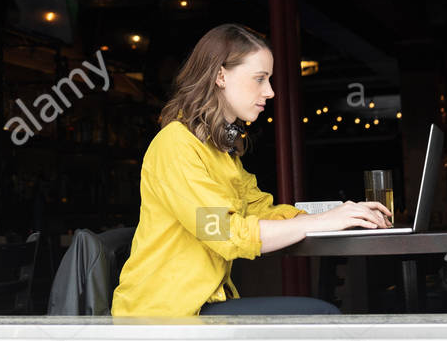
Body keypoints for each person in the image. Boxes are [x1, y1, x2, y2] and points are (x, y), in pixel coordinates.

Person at [110, 23, 392, 317]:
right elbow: (226, 232)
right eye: (259, 79)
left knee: (316, 314)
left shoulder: (218, 149)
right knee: (318, 316)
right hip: (164, 315)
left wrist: (336, 215)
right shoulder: (176, 146)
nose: (269, 91)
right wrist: (322, 222)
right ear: (220, 75)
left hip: (199, 307)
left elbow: (259, 210)